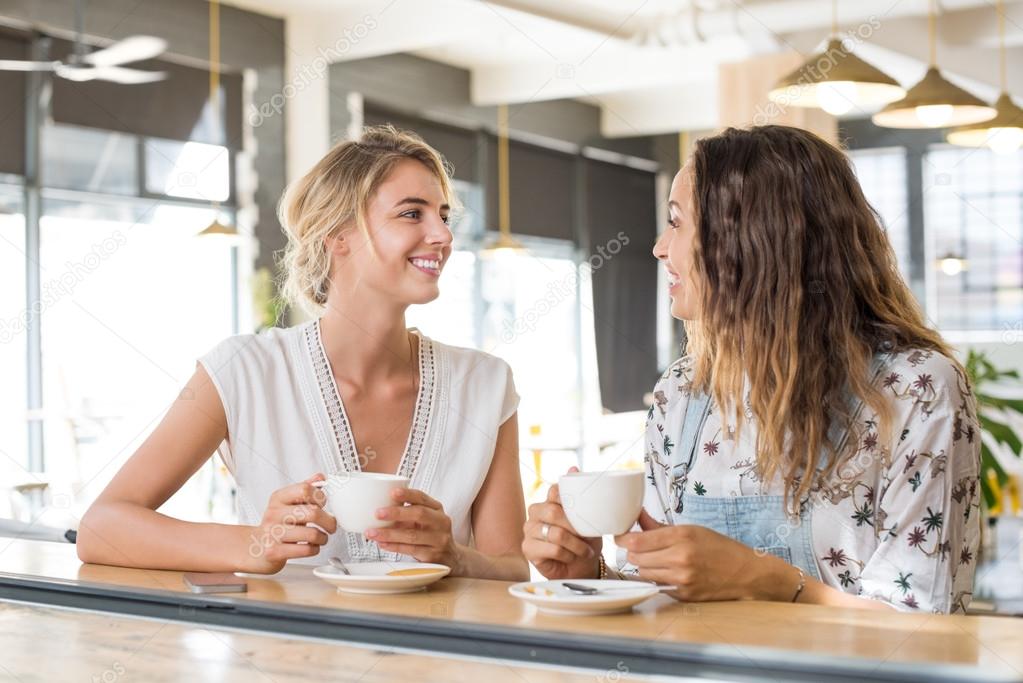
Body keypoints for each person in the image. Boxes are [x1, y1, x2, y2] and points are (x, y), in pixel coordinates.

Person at [523, 125, 981, 613]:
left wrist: (763, 578)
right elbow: (659, 599)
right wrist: (590, 574)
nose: (659, 247)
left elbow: (924, 628)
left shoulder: (914, 390)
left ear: (750, 240)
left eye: (676, 223)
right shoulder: (680, 393)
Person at [78, 126, 528, 580]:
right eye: (413, 214)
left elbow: (511, 568)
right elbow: (102, 527)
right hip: (285, 651)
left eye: (444, 217)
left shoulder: (485, 384)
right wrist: (255, 544)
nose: (443, 236)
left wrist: (454, 555)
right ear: (338, 235)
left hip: (446, 651)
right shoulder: (243, 371)